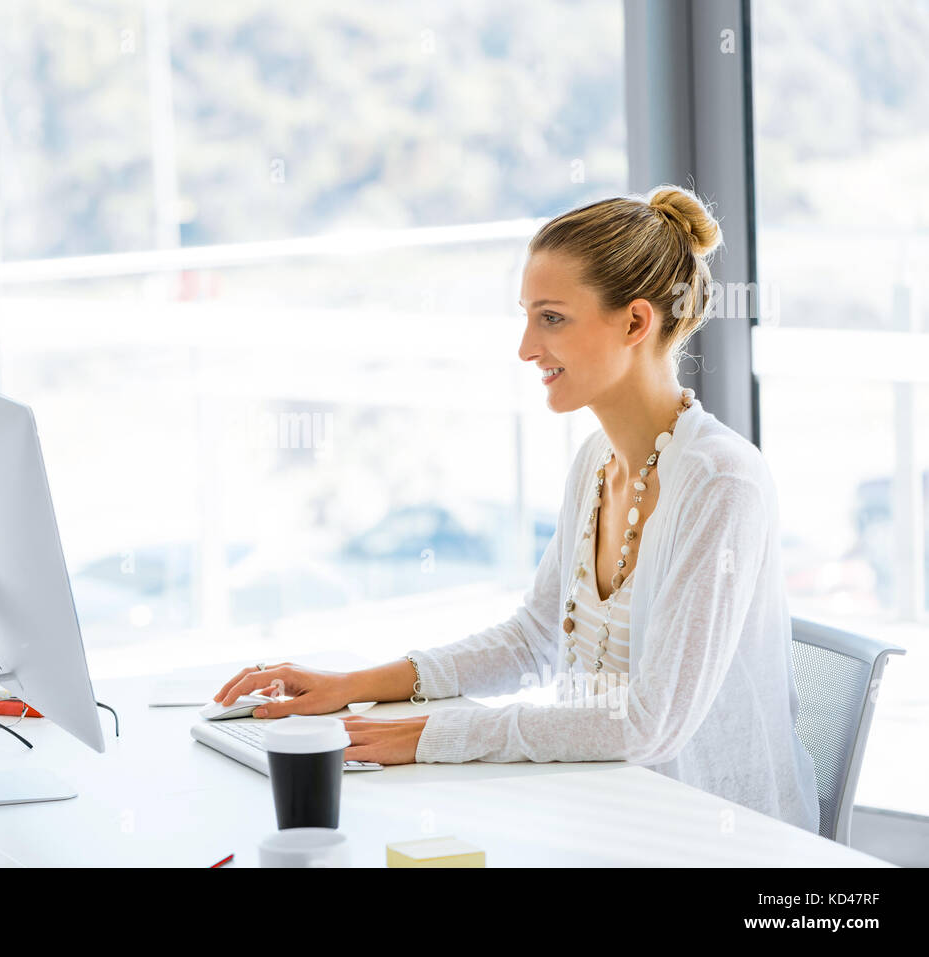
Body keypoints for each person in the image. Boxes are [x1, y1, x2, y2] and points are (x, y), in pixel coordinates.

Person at [213, 184, 821, 834]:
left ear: (637, 322)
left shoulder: (722, 483)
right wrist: (355, 683)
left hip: (711, 839)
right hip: (602, 811)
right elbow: (534, 637)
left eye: (551, 318)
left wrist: (431, 733)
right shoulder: (597, 458)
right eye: (527, 316)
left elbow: (651, 723)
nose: (527, 347)